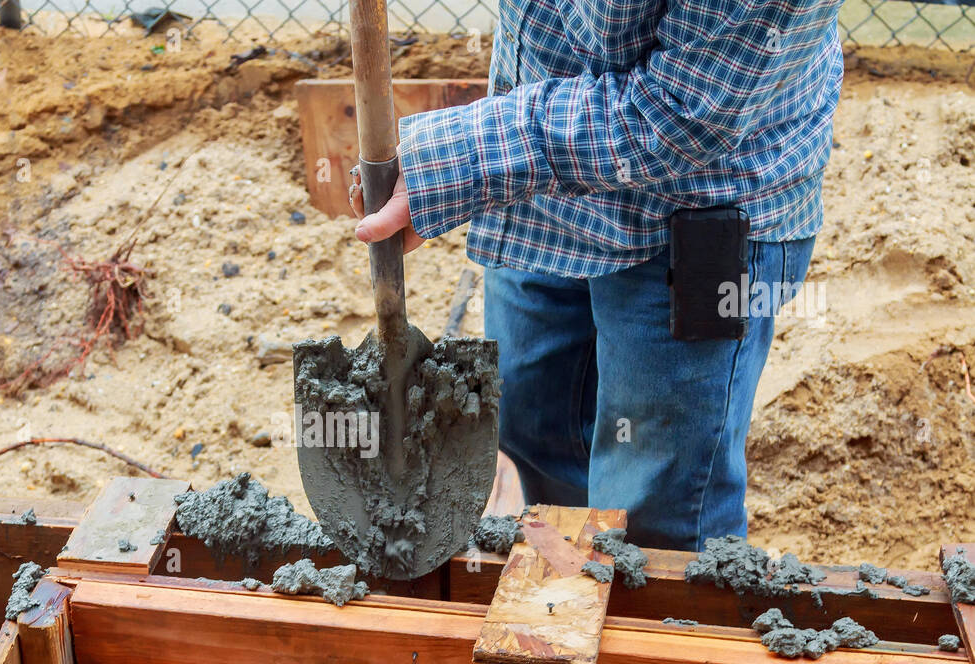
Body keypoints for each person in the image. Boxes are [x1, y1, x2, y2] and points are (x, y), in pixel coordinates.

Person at [350, 0, 844, 550]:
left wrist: (463, 161)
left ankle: (651, 631)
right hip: (541, 180)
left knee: (655, 516)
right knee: (533, 435)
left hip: (695, 210)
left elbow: (679, 116)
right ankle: (558, 608)